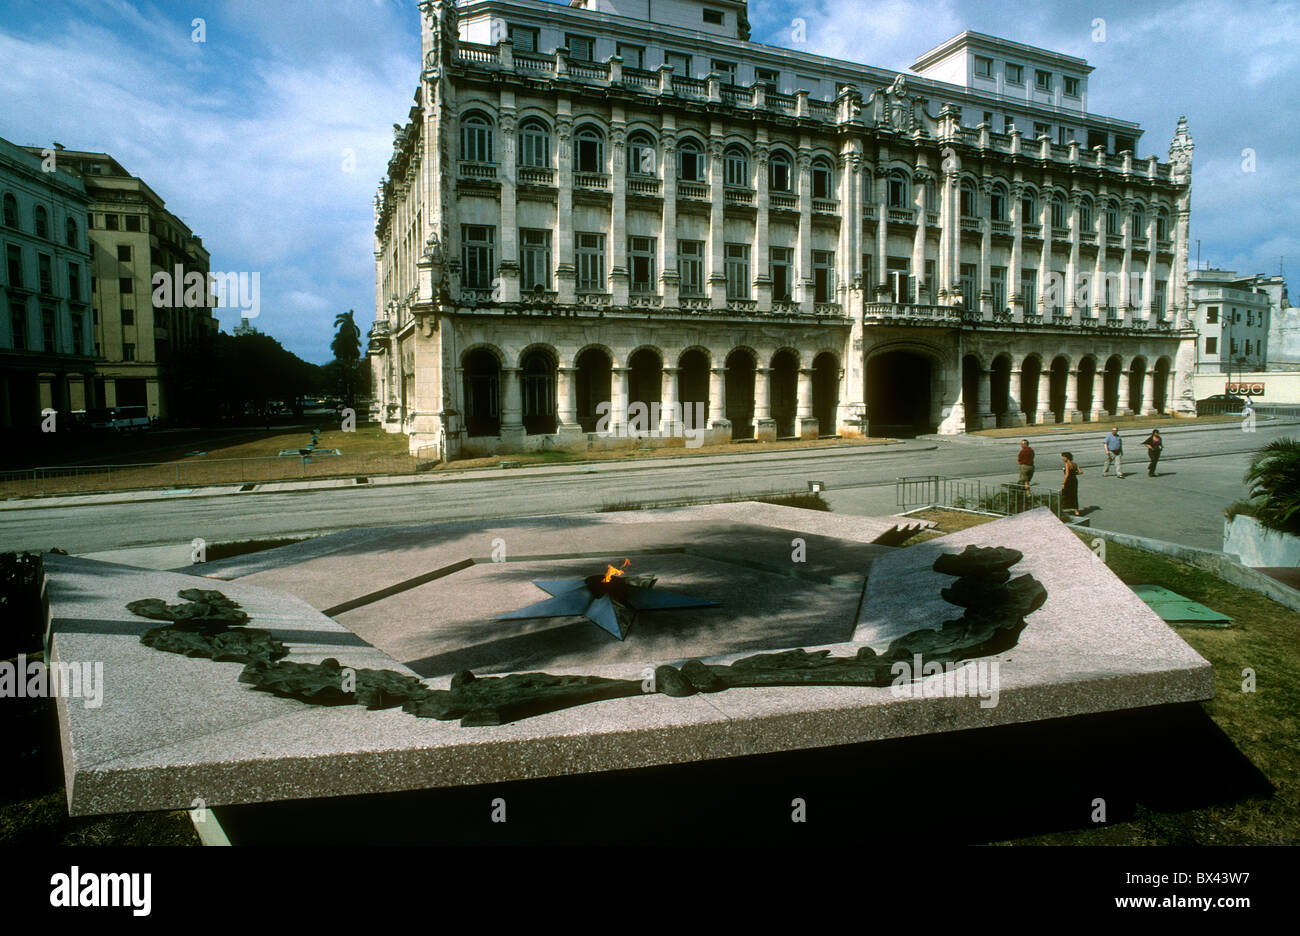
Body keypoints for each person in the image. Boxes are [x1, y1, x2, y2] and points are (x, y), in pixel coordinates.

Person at [1060, 451, 1082, 516]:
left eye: (1063, 457)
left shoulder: (1067, 464)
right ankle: (1076, 511)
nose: (1063, 459)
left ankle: (1062, 509)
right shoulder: (1075, 464)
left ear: (1067, 457)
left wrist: (1063, 483)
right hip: (1074, 480)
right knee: (1074, 495)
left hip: (1068, 481)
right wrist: (1074, 473)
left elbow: (1067, 474)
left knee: (1064, 495)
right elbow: (1080, 472)